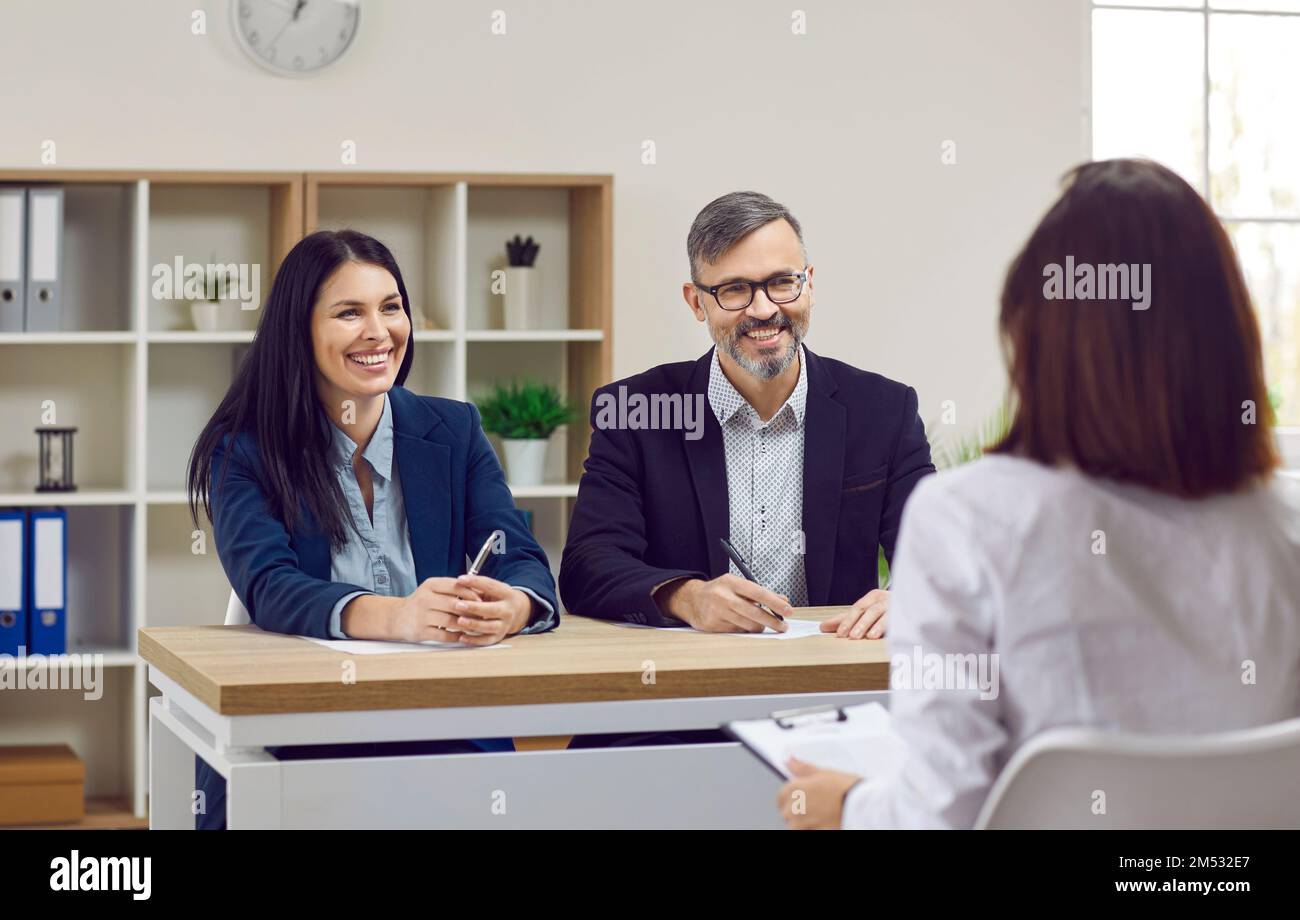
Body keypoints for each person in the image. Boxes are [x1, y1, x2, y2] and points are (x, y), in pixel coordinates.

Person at [778, 159, 1300, 829]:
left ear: (1036, 333)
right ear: (1230, 336)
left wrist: (847, 806)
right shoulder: (1283, 529)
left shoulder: (966, 522)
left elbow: (943, 816)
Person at [186, 229, 558, 829]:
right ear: (299, 331)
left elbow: (520, 556)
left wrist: (513, 604)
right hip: (301, 725)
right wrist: (401, 616)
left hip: (438, 719)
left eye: (391, 307)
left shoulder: (453, 430)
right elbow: (269, 585)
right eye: (348, 313)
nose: (378, 331)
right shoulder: (245, 450)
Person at [560, 191, 934, 639]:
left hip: (833, 674)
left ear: (809, 284)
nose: (763, 309)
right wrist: (686, 597)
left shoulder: (884, 410)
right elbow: (587, 566)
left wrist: (910, 597)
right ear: (696, 302)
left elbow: (941, 560)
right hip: (684, 682)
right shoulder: (635, 412)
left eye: (782, 282)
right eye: (735, 289)